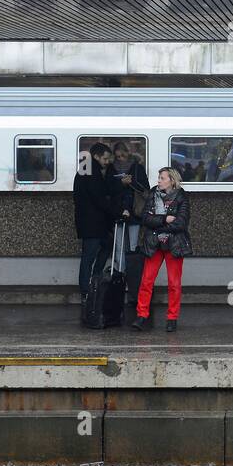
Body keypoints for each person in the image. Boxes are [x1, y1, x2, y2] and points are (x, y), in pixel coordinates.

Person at [131, 167, 191, 332]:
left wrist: (158, 224)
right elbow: (145, 218)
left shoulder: (181, 197)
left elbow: (181, 223)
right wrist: (165, 219)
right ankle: (142, 315)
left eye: (162, 178)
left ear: (171, 180)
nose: (158, 181)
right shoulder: (152, 194)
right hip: (154, 243)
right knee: (146, 281)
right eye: (158, 177)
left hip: (174, 244)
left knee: (174, 283)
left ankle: (172, 318)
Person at [73, 143, 126, 300]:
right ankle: (87, 290)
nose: (108, 161)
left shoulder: (86, 169)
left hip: (90, 222)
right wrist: (119, 211)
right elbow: (100, 198)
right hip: (93, 223)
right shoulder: (92, 173)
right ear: (96, 156)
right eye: (105, 158)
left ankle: (93, 281)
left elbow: (100, 192)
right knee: (89, 256)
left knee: (103, 247)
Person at [111, 141, 150, 305]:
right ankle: (120, 278)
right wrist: (120, 183)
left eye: (123, 155)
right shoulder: (112, 169)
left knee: (132, 246)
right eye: (118, 156)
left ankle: (132, 280)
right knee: (119, 246)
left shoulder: (137, 168)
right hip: (119, 212)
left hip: (134, 212)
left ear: (128, 153)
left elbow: (145, 189)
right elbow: (109, 188)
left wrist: (130, 182)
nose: (120, 159)